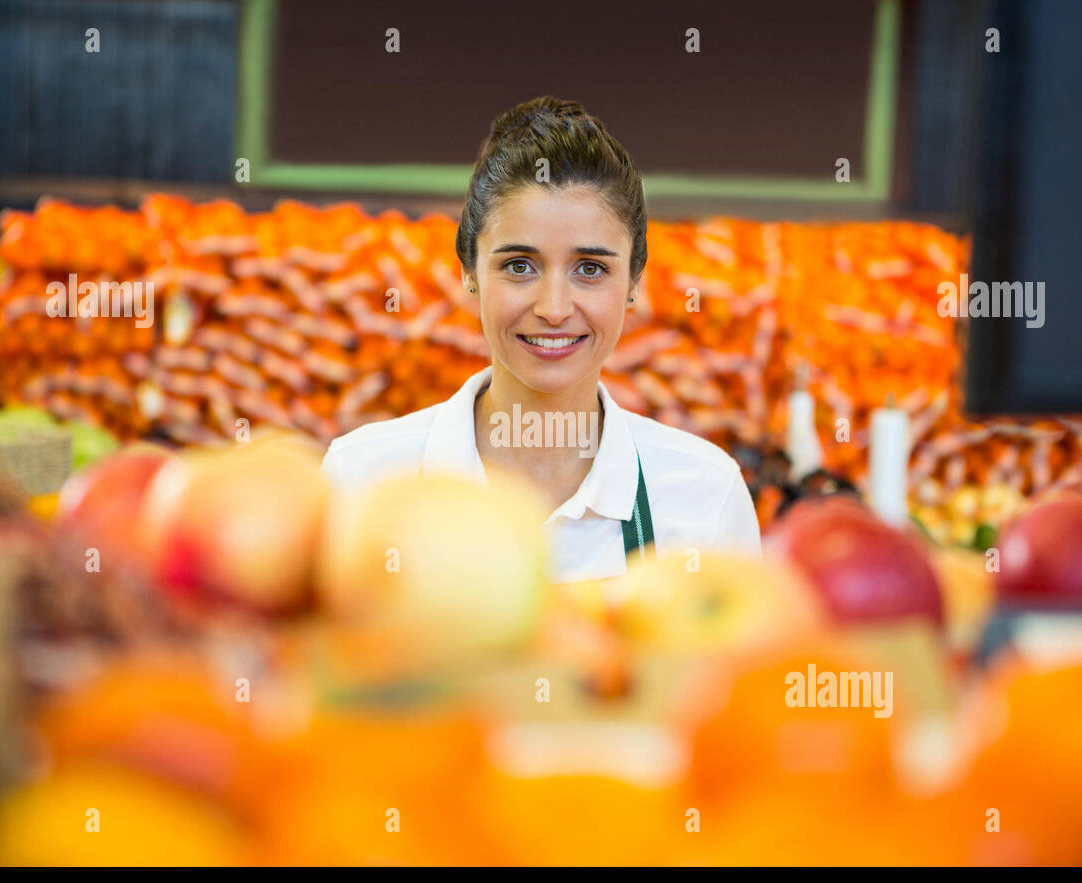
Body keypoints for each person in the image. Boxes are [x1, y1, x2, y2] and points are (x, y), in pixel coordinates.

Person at [321, 96, 762, 582]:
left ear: (634, 281)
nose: (554, 308)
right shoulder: (360, 481)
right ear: (469, 271)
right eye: (519, 266)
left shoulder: (705, 495)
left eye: (590, 269)